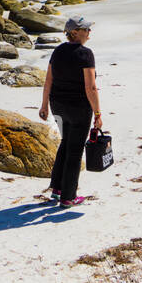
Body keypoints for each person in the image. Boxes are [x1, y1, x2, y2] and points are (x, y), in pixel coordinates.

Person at [38, 15, 102, 208]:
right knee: (75, 150)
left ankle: (57, 189)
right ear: (76, 32)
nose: (89, 32)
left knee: (66, 143)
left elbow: (48, 80)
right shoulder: (85, 54)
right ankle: (68, 197)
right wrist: (98, 114)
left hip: (57, 104)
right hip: (78, 108)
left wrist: (44, 105)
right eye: (86, 29)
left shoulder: (57, 51)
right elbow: (90, 88)